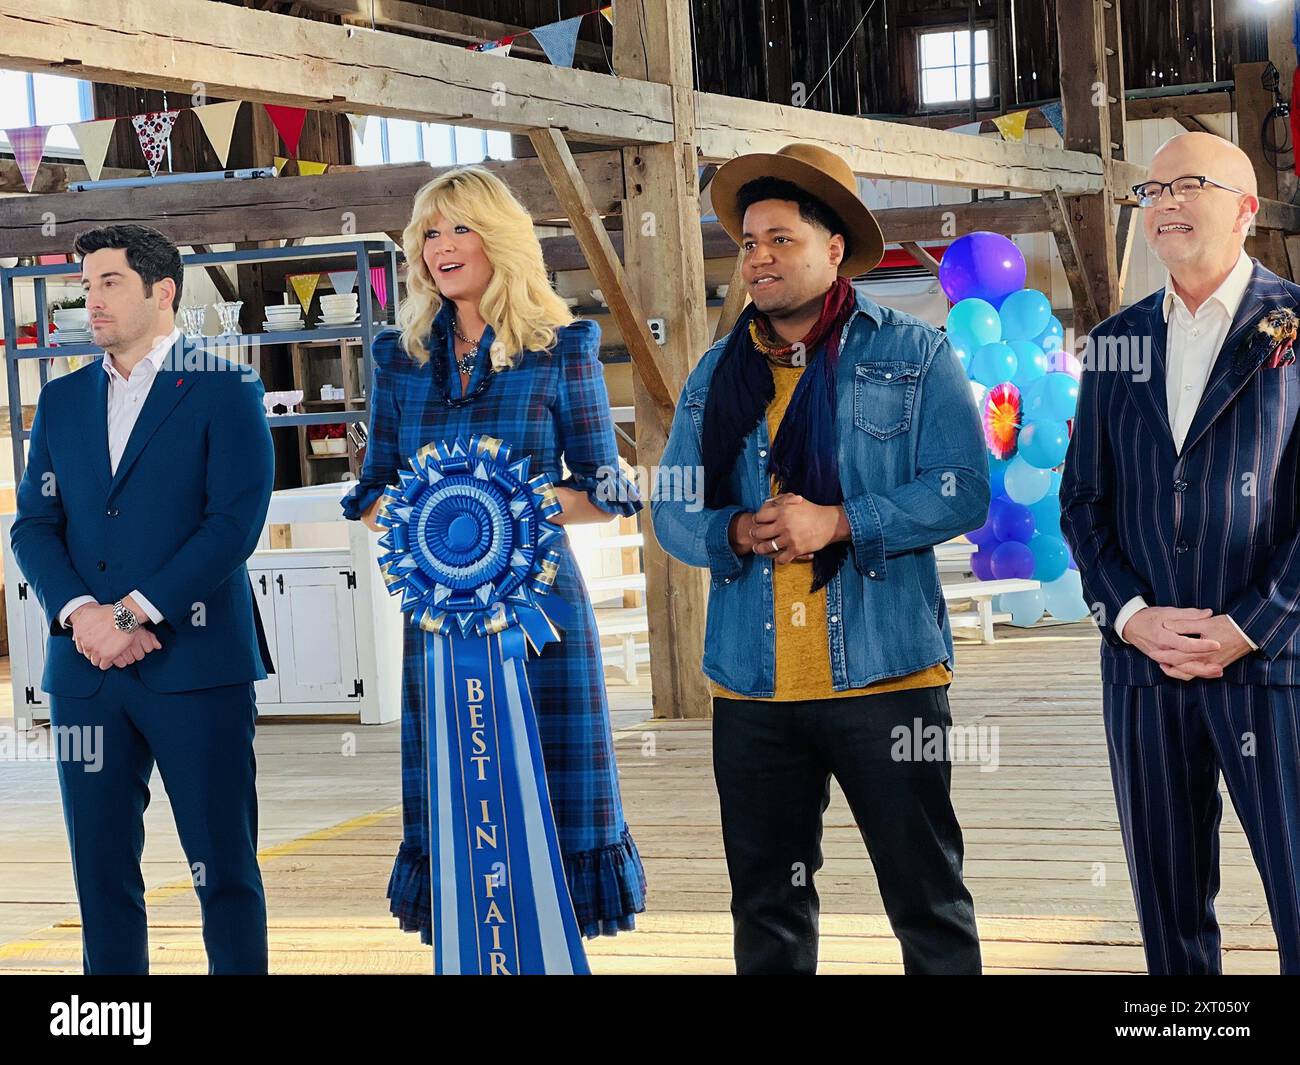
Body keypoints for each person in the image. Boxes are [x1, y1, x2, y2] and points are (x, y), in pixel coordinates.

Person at [651, 143, 989, 974]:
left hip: (885, 678)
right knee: (768, 910)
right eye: (749, 243)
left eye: (781, 240)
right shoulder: (713, 376)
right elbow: (671, 507)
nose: (759, 259)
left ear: (833, 248)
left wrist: (840, 521)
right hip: (755, 686)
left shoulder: (914, 354)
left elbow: (961, 489)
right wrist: (732, 531)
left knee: (928, 901)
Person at [342, 166, 647, 948]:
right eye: (428, 233)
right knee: (457, 802)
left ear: (500, 239)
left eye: (459, 228)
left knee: (550, 795)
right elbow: (373, 489)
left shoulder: (561, 348)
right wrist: (422, 523)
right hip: (438, 625)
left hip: (540, 620)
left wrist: (515, 512)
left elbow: (609, 488)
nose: (441, 247)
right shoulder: (397, 358)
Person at [1061, 131, 1300, 974]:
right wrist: (1128, 616)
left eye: (1186, 183)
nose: (1161, 201)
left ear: (1246, 210)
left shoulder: (1297, 328)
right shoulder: (1115, 342)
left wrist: (1252, 624)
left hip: (1276, 669)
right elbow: (1083, 501)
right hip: (1145, 675)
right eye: (1149, 191)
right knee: (1168, 911)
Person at [10, 224, 276, 974]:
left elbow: (232, 526)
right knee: (99, 872)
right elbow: (34, 525)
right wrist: (83, 617)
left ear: (163, 292)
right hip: (86, 674)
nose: (88, 299)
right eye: (85, 284)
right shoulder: (60, 403)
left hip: (197, 667)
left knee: (222, 866)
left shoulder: (227, 389)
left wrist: (133, 612)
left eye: (109, 282)